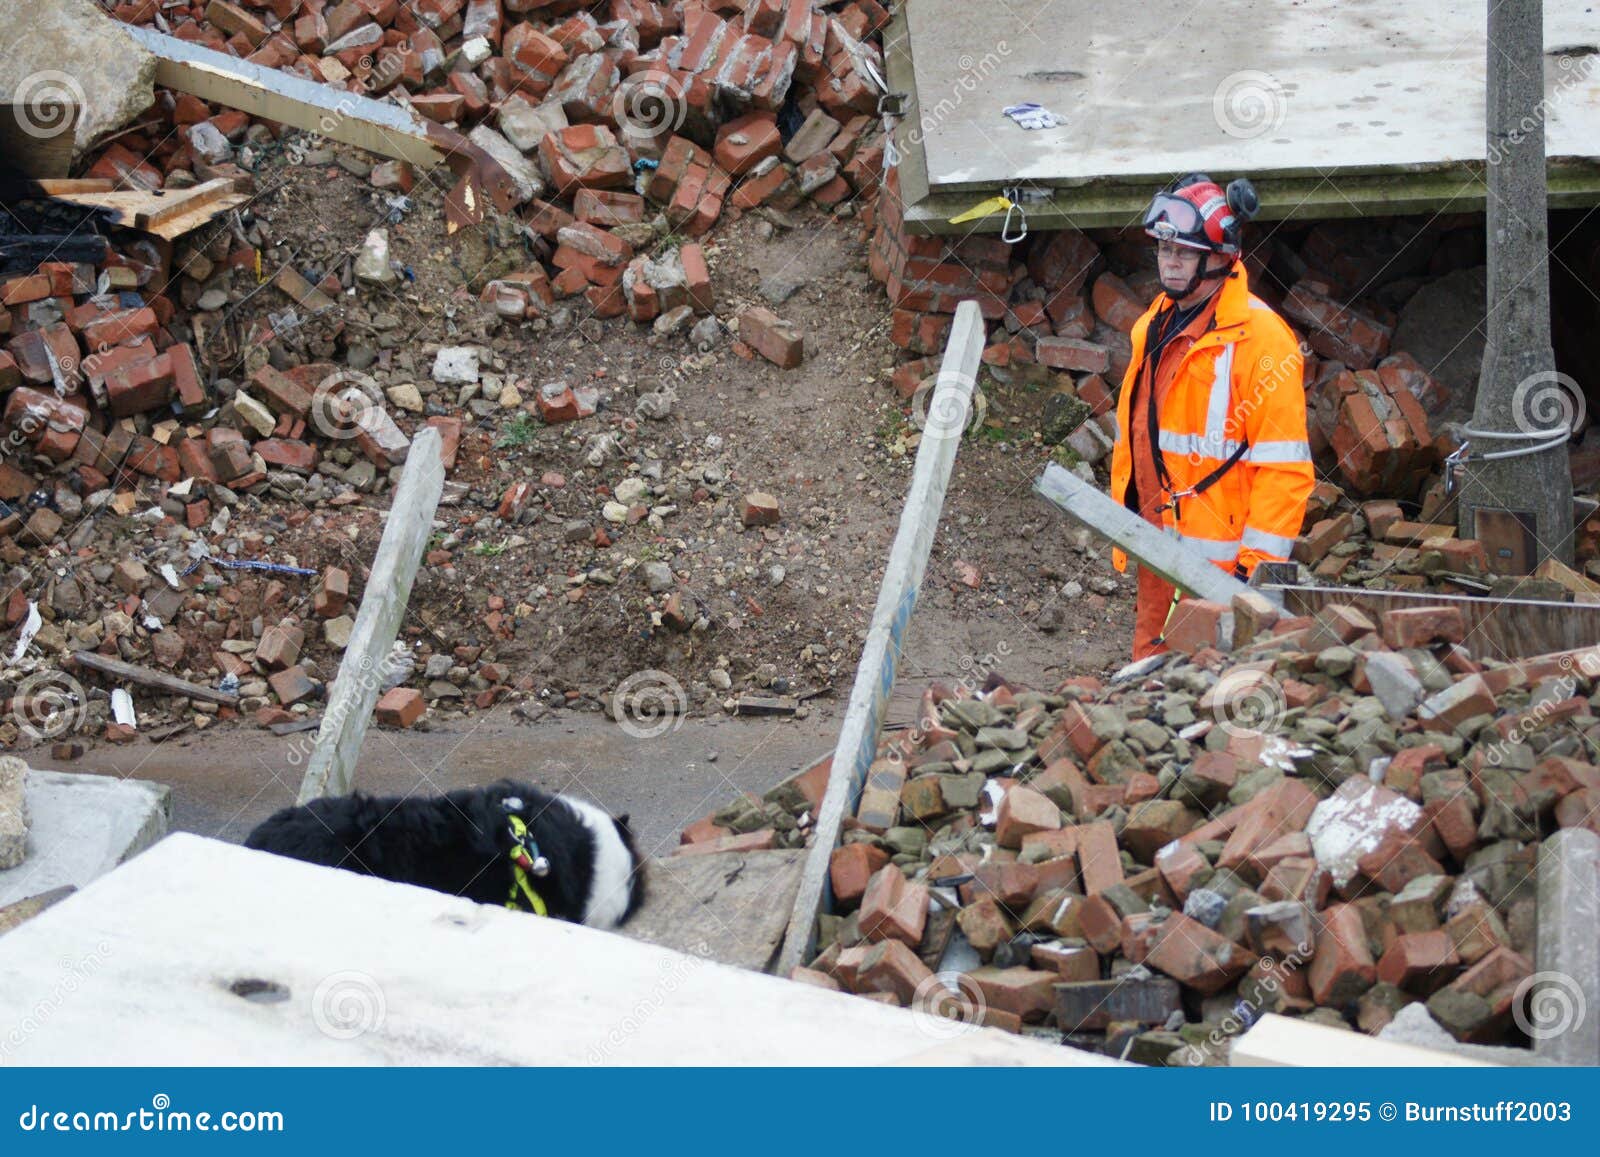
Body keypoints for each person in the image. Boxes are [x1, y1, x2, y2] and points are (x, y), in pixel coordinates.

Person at [1107, 173, 1314, 658]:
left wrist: (1255, 570)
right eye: (1163, 250)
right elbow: (1141, 440)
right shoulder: (1151, 327)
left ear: (1221, 257)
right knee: (1150, 682)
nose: (1169, 261)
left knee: (1212, 692)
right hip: (1158, 547)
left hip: (1225, 572)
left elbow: (1284, 469)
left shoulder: (1263, 342)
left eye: (1184, 252)